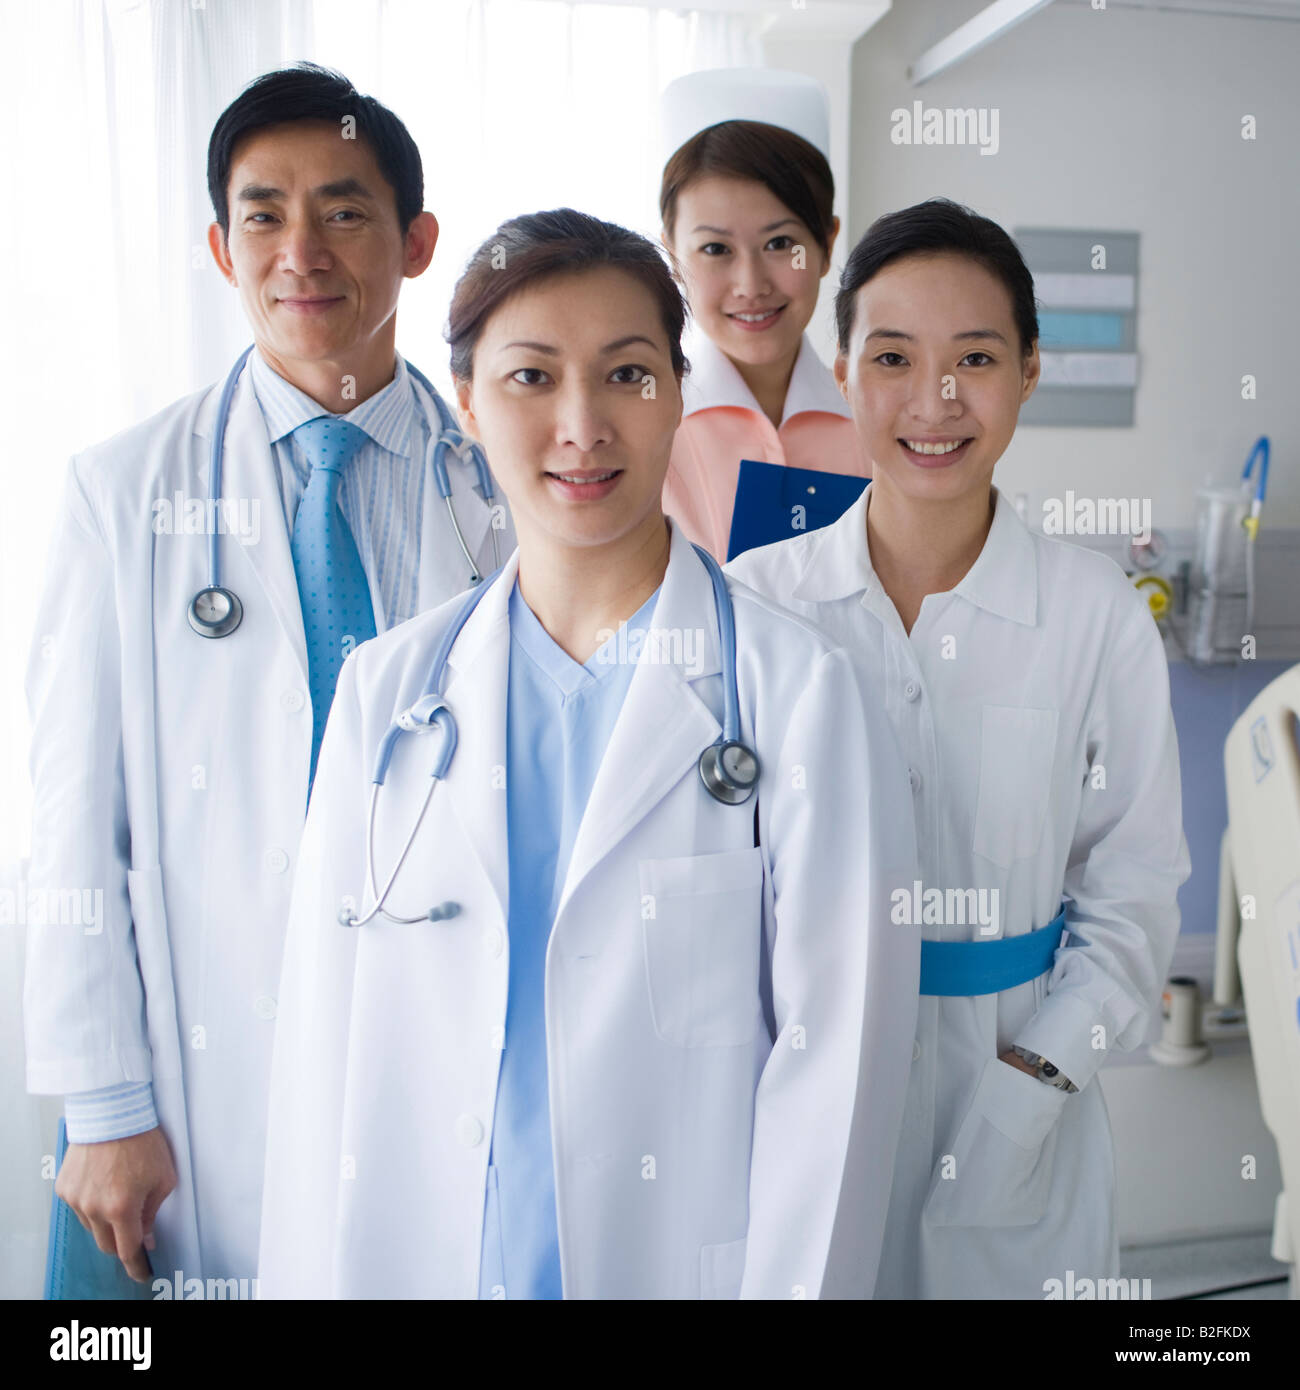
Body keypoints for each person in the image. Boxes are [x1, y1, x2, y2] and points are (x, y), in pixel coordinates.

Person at [257, 208, 918, 1300]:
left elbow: (833, 1084)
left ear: (676, 395)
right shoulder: (389, 696)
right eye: (530, 378)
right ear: (464, 405)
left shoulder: (796, 697)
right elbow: (321, 1055)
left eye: (625, 375)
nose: (582, 425)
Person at [24, 63, 511, 1291]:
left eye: (344, 211)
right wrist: (102, 1099)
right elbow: (75, 823)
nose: (301, 250)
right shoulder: (122, 493)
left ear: (414, 243)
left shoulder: (507, 491)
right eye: (262, 213)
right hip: (207, 1088)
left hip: (440, 1046)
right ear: (218, 243)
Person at [728, 198, 1191, 1299]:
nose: (934, 400)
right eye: (892, 356)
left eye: (974, 358)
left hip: (1021, 1102)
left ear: (1028, 370)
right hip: (808, 1087)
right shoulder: (759, 606)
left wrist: (1035, 1074)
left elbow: (1132, 891)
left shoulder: (1095, 617)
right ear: (841, 371)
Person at [658, 68, 869, 563]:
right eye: (715, 248)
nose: (751, 285)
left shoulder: (880, 423)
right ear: (671, 254)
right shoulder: (644, 426)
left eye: (780, 243)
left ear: (827, 242)